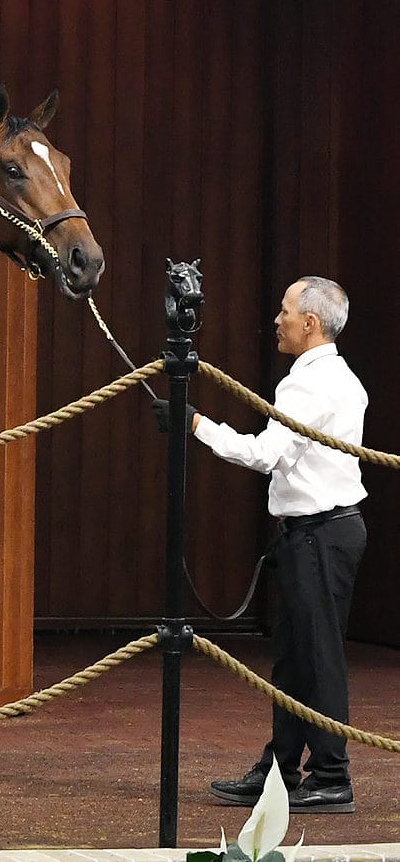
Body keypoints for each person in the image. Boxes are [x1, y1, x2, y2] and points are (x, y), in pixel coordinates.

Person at [157, 277, 367, 814]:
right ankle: (282, 770)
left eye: (285, 311)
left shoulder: (307, 385)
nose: (277, 320)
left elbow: (263, 455)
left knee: (315, 657)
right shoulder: (340, 377)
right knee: (297, 660)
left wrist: (195, 424)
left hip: (319, 533)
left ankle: (332, 775)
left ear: (310, 324)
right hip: (323, 532)